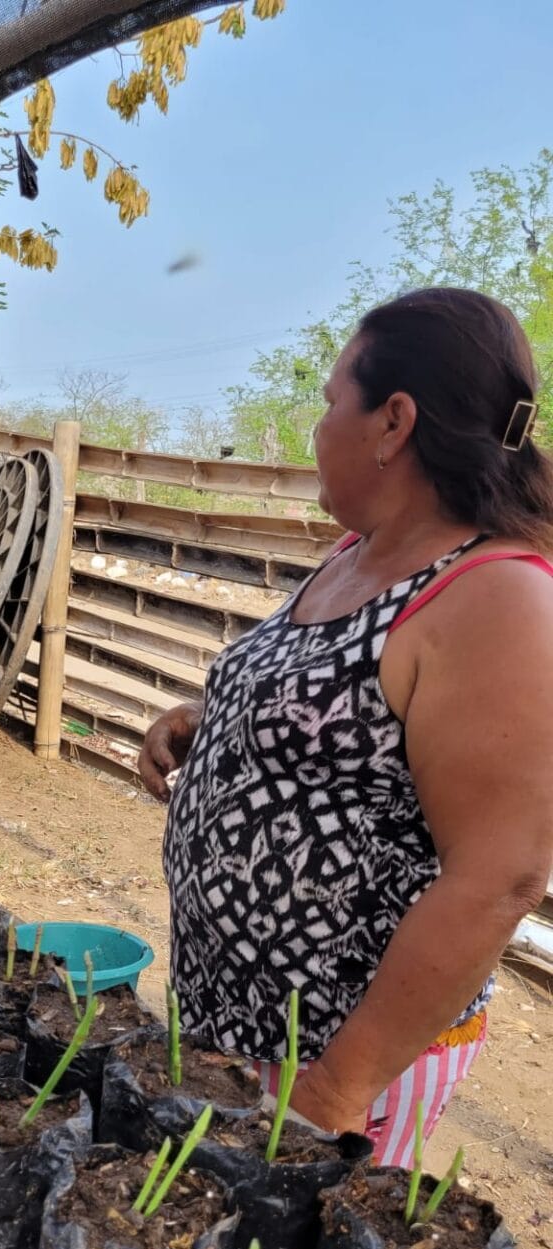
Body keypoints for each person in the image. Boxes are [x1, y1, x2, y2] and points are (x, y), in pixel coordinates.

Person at [140, 287, 553, 1166]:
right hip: (236, 1024)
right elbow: (341, 713)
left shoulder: (495, 596)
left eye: (330, 403)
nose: (317, 429)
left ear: (393, 422)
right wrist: (210, 724)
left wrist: (332, 1091)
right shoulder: (355, 556)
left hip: (330, 1064)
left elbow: (498, 878)